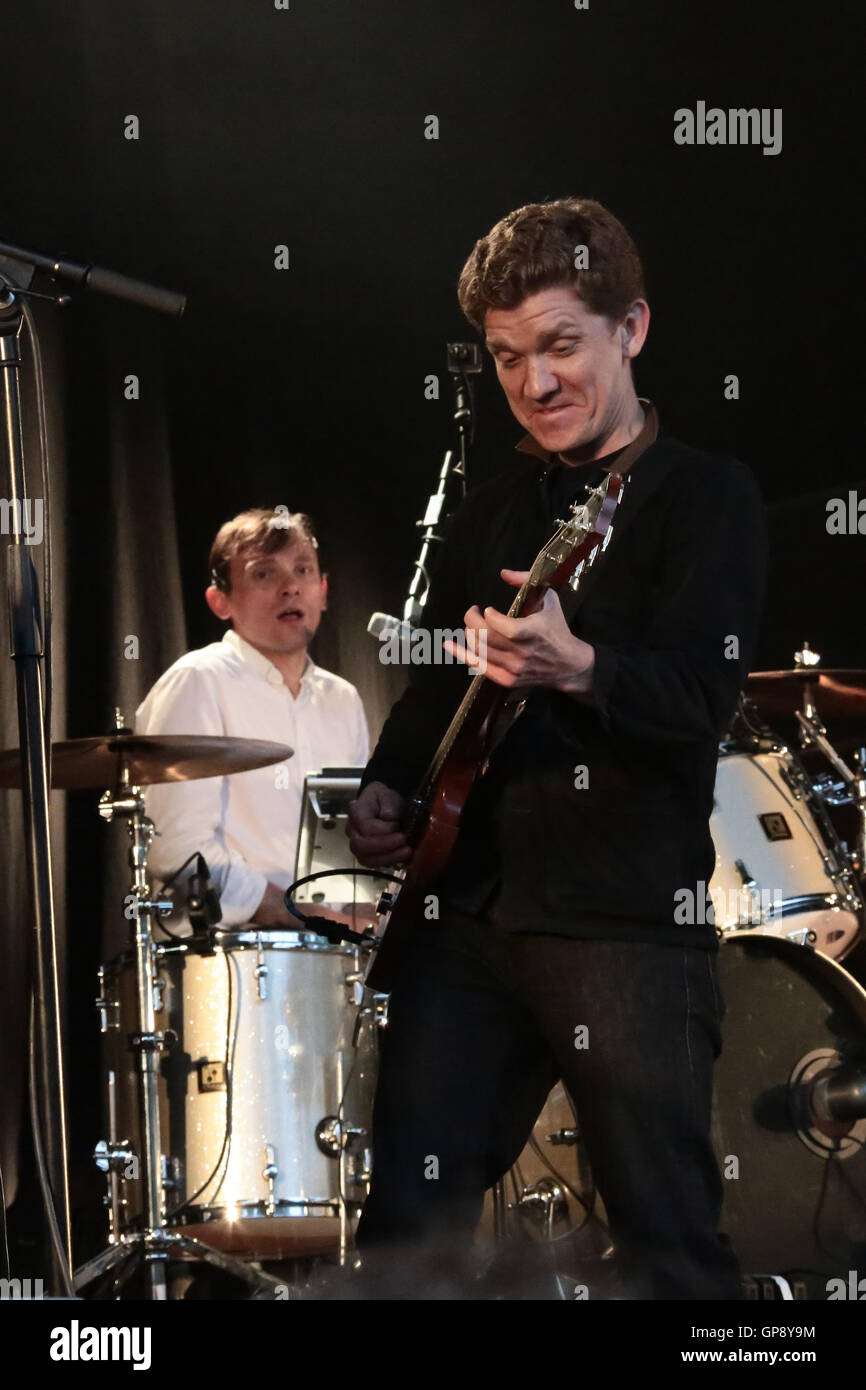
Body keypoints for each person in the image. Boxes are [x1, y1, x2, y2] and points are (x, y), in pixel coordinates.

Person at [347, 197, 767, 1299]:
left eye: (558, 345)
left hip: (621, 919)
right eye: (504, 357)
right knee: (403, 1243)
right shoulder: (493, 507)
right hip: (464, 914)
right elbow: (437, 676)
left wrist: (578, 666)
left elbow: (700, 694)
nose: (532, 382)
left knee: (670, 1245)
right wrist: (389, 787)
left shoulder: (702, 496)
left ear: (629, 327)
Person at [137, 507, 369, 929]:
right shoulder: (197, 682)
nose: (290, 588)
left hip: (329, 962)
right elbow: (177, 852)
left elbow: (349, 845)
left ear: (323, 591)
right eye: (264, 574)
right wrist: (300, 914)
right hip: (223, 962)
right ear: (220, 601)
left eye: (302, 570)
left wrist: (366, 911)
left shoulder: (343, 700)